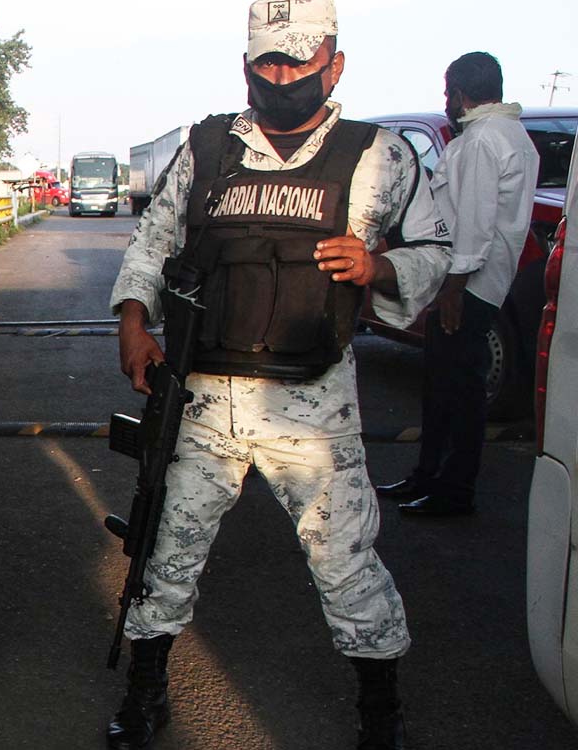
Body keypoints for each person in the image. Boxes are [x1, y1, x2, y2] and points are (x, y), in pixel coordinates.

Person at [107, 2, 453, 748]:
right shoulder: (207, 146)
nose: (283, 74)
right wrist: (134, 320)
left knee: (346, 565)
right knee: (166, 552)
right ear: (246, 65)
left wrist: (378, 264)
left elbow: (435, 250)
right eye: (269, 60)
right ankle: (144, 692)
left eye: (299, 59)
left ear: (335, 62)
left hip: (314, 407)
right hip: (202, 398)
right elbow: (151, 240)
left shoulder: (379, 156)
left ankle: (379, 712)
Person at [378, 52, 540, 517]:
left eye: (449, 92)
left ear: (463, 93)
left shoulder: (482, 141)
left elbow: (473, 223)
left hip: (466, 286)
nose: (446, 101)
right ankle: (427, 476)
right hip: (482, 284)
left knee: (458, 394)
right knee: (443, 387)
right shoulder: (512, 135)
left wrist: (450, 289)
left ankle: (453, 491)